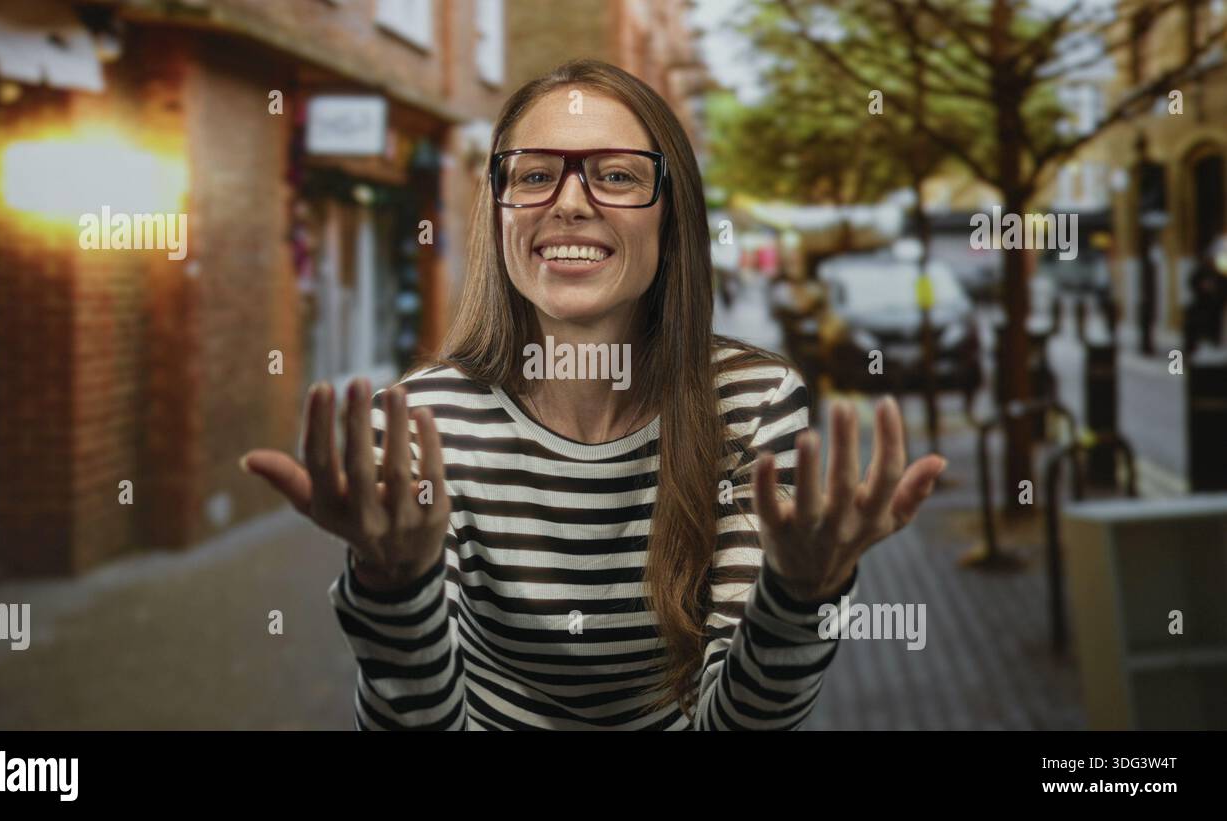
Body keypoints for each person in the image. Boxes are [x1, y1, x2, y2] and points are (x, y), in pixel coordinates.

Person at [241, 59, 946, 730]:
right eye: (537, 174)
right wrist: (394, 591)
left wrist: (799, 597)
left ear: (671, 216)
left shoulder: (753, 402)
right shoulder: (417, 425)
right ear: (499, 211)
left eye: (614, 175)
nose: (571, 203)